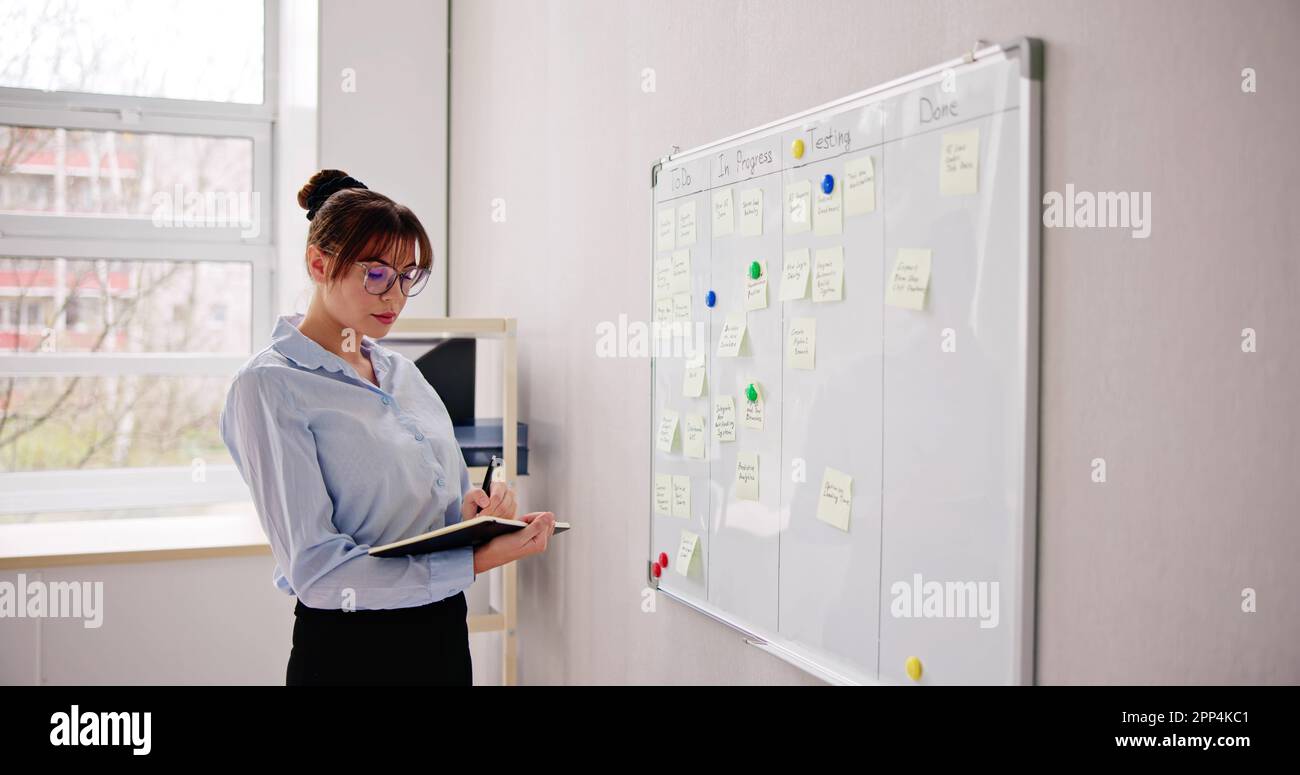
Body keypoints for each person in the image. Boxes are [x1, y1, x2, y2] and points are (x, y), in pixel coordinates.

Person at [219, 168, 556, 686]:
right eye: (376, 275)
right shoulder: (269, 387)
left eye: (408, 277)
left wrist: (474, 513)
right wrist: (477, 562)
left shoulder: (403, 373)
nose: (394, 297)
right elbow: (319, 572)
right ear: (319, 263)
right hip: (353, 653)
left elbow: (419, 515)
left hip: (443, 633)